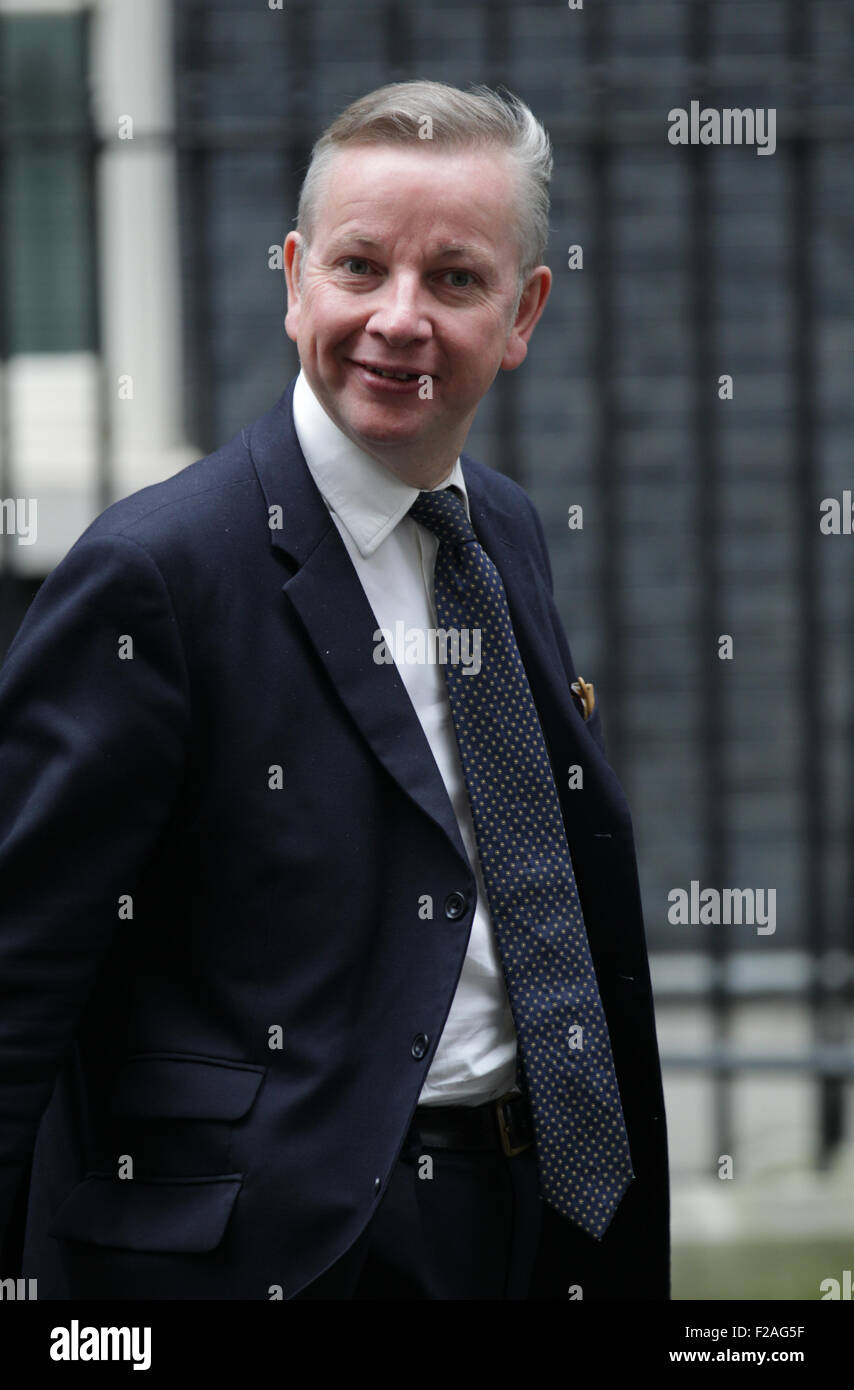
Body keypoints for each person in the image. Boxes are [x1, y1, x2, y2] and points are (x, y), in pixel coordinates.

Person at [0, 80, 669, 1300]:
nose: (397, 320)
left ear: (522, 314)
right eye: (360, 268)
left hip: (532, 1219)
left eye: (455, 280)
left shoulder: (502, 530)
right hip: (281, 1255)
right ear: (296, 277)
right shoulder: (154, 573)